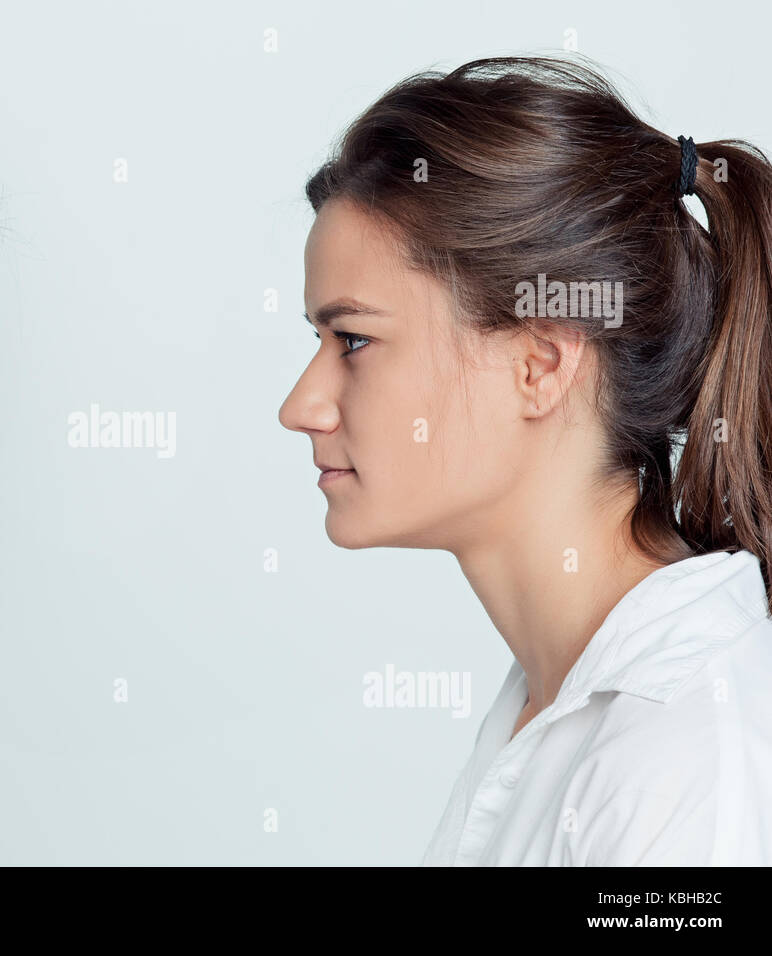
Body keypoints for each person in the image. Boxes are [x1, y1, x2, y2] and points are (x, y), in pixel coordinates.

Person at [279, 56, 772, 865]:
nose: (302, 407)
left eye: (354, 340)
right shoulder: (552, 700)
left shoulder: (684, 752)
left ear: (539, 365)